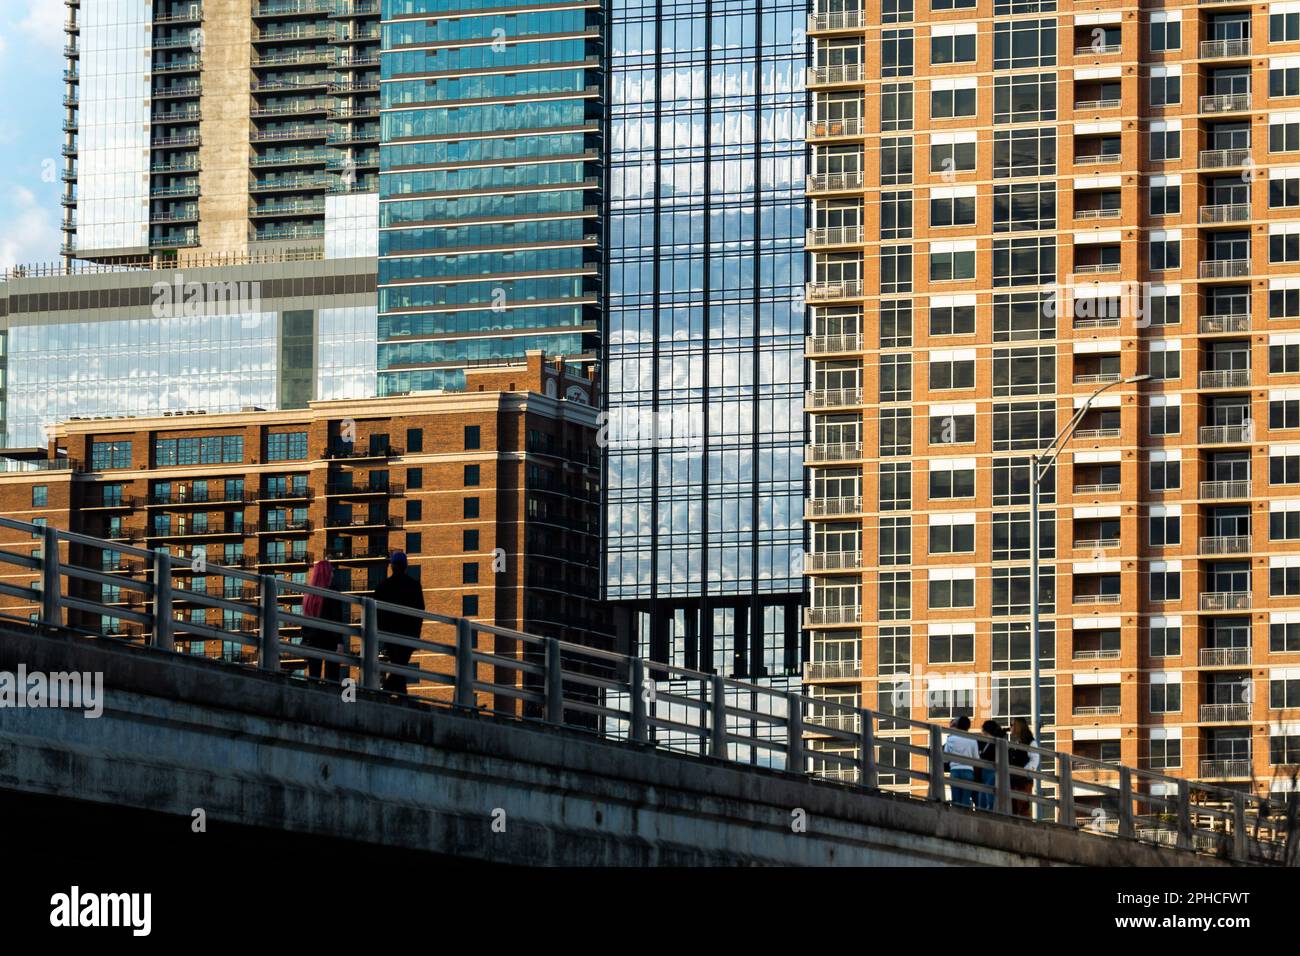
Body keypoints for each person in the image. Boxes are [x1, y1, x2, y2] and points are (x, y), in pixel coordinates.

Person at [373, 551, 426, 694]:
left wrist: (381, 630)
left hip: (389, 633)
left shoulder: (383, 586)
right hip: (409, 633)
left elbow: (375, 611)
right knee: (401, 664)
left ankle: (393, 692)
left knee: (398, 663)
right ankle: (395, 693)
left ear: (392, 566)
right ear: (405, 566)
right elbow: (420, 611)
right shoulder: (414, 586)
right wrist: (416, 633)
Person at [301, 559, 345, 681]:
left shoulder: (309, 594)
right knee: (332, 679)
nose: (332, 574)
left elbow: (305, 621)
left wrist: (304, 642)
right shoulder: (333, 593)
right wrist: (340, 642)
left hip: (313, 641)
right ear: (326, 573)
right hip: (330, 640)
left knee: (313, 678)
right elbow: (336, 619)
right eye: (331, 571)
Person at [943, 715, 979, 808]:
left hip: (955, 771)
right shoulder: (972, 739)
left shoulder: (951, 739)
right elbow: (976, 758)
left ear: (957, 725)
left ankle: (956, 819)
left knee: (956, 800)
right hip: (968, 771)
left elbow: (946, 758)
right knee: (966, 800)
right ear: (968, 726)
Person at [1009, 717, 1037, 818]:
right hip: (1015, 779)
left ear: (1018, 727)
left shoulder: (1030, 742)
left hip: (1024, 780)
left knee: (1023, 807)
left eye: (1012, 725)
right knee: (1015, 807)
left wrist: (1022, 771)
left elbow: (1034, 761)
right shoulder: (1018, 742)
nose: (1010, 727)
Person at [976, 720, 1005, 811]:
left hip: (991, 772)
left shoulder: (995, 743)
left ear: (985, 731)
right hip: (986, 773)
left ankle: (989, 812)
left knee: (988, 795)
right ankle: (983, 811)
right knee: (983, 794)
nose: (981, 733)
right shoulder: (987, 742)